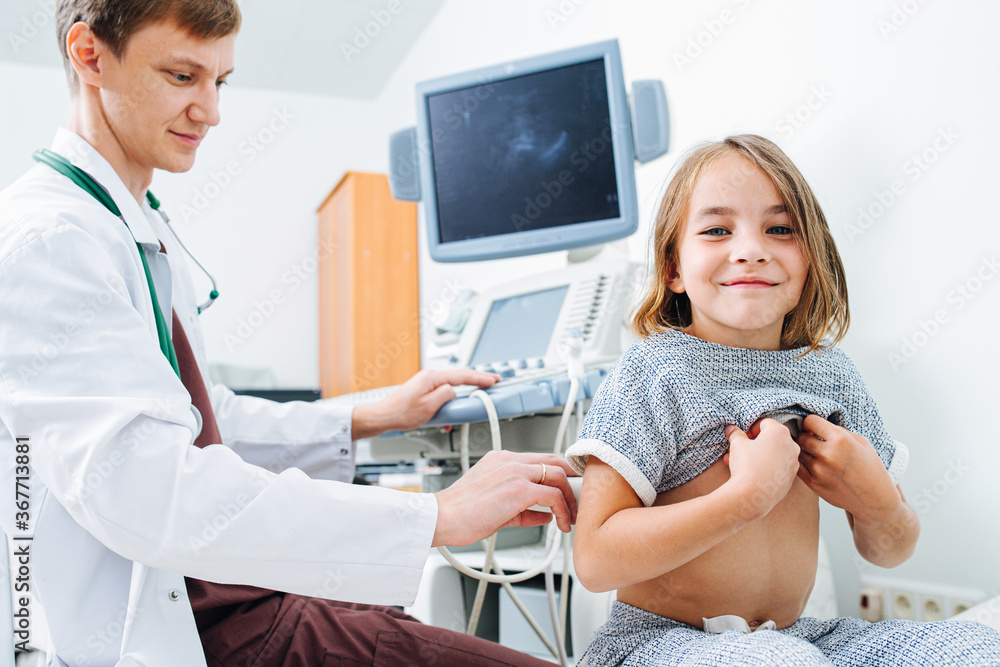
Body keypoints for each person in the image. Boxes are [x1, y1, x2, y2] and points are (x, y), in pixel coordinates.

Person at [0, 1, 577, 665]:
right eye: (183, 77)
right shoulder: (48, 243)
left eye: (221, 82)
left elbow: (202, 422)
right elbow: (149, 490)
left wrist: (373, 413)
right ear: (89, 54)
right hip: (197, 631)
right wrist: (437, 515)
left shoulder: (134, 225)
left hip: (240, 595)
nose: (211, 111)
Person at [564, 134, 1000, 666]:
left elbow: (891, 549)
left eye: (780, 229)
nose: (751, 248)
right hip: (656, 644)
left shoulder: (831, 375)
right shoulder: (651, 373)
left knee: (979, 650)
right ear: (673, 268)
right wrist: (745, 499)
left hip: (796, 639)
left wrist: (876, 499)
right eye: (717, 230)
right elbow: (594, 560)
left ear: (810, 259)